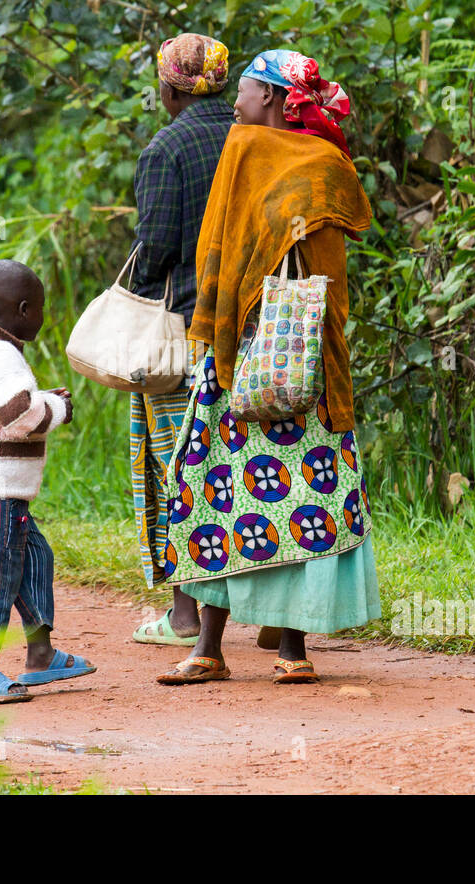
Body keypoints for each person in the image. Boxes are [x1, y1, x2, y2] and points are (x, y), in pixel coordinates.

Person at [156, 49, 381, 685]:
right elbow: (229, 242)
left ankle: (289, 648)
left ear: (280, 99)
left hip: (277, 350)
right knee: (224, 488)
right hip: (265, 350)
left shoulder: (288, 157)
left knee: (245, 489)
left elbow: (234, 249)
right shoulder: (248, 146)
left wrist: (241, 315)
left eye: (251, 88)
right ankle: (211, 647)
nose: (239, 99)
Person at [0, 260, 97, 703]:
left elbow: (7, 407)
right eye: (41, 309)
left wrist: (40, 399)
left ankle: (41, 653)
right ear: (25, 310)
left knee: (32, 559)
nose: (44, 318)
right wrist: (56, 407)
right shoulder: (3, 357)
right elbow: (17, 416)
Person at [128, 33, 234, 647]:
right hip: (252, 327)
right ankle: (272, 614)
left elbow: (158, 245)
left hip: (186, 331)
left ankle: (184, 615)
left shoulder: (167, 147)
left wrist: (139, 286)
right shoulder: (255, 135)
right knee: (238, 465)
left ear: (169, 88)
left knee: (174, 463)